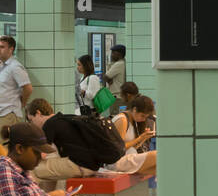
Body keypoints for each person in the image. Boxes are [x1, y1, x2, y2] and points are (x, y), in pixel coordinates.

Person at [26, 98, 154, 179]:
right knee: (51, 170)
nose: (32, 125)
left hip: (82, 166)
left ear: (38, 113)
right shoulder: (66, 119)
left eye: (31, 120)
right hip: (93, 165)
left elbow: (40, 155)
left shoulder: (49, 124)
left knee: (34, 169)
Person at [0, 35, 32, 132]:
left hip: (8, 115)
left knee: (5, 146)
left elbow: (28, 88)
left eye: (2, 47)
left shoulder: (15, 67)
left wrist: (22, 104)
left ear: (11, 49)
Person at [110, 95, 156, 175]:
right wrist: (139, 138)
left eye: (146, 117)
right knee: (157, 155)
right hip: (115, 162)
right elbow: (118, 149)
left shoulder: (134, 121)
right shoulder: (122, 120)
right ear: (134, 110)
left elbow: (132, 147)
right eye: (142, 116)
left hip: (126, 157)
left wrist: (143, 138)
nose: (144, 119)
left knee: (157, 168)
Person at [104, 45, 127, 112]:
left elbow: (105, 77)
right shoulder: (123, 62)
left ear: (119, 54)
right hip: (120, 97)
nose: (111, 55)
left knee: (115, 118)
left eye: (113, 53)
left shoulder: (119, 64)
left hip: (117, 98)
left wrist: (108, 79)